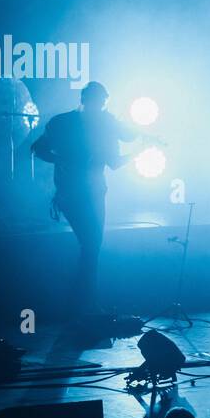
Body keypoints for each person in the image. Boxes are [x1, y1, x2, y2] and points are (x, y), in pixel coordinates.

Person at [30, 82, 139, 311]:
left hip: (74, 193)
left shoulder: (63, 122)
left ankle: (82, 304)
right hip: (85, 194)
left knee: (90, 246)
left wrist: (61, 160)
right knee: (91, 245)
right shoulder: (99, 127)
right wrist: (140, 150)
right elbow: (117, 160)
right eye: (100, 103)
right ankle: (85, 305)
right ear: (98, 101)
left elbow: (38, 148)